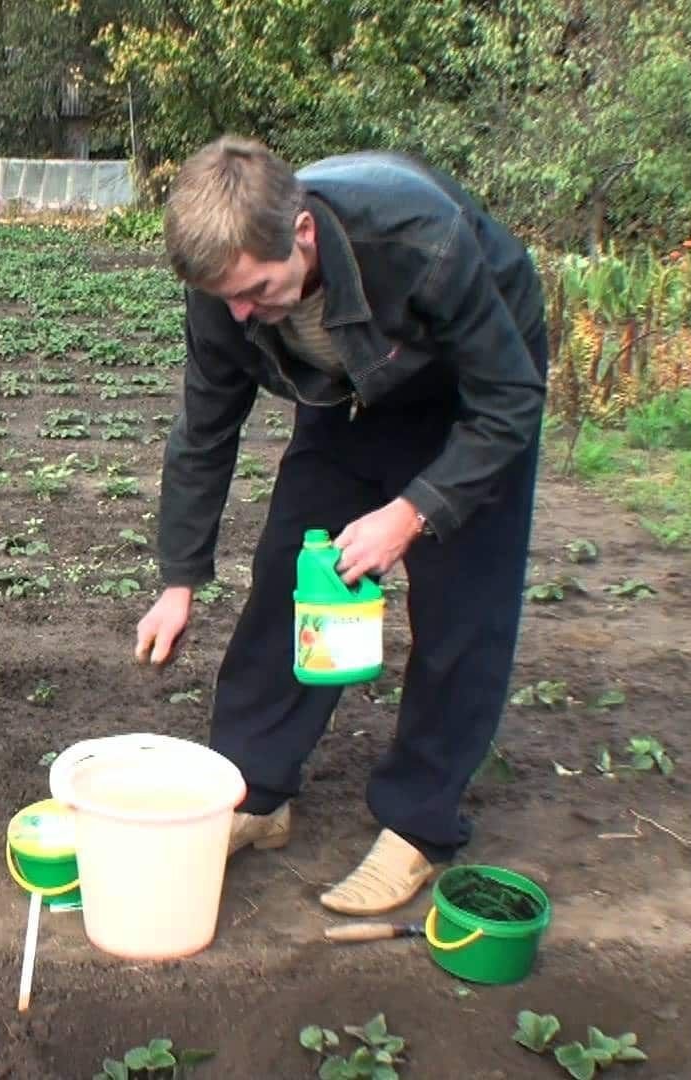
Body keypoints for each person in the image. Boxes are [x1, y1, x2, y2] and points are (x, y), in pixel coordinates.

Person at [132, 136, 547, 916]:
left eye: (256, 290)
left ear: (303, 235)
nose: (244, 313)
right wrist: (179, 580)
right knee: (296, 562)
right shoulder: (225, 282)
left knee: (462, 600)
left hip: (474, 388)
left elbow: (509, 401)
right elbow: (205, 429)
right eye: (229, 299)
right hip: (353, 383)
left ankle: (419, 825)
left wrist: (413, 512)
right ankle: (254, 791)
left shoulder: (422, 245)